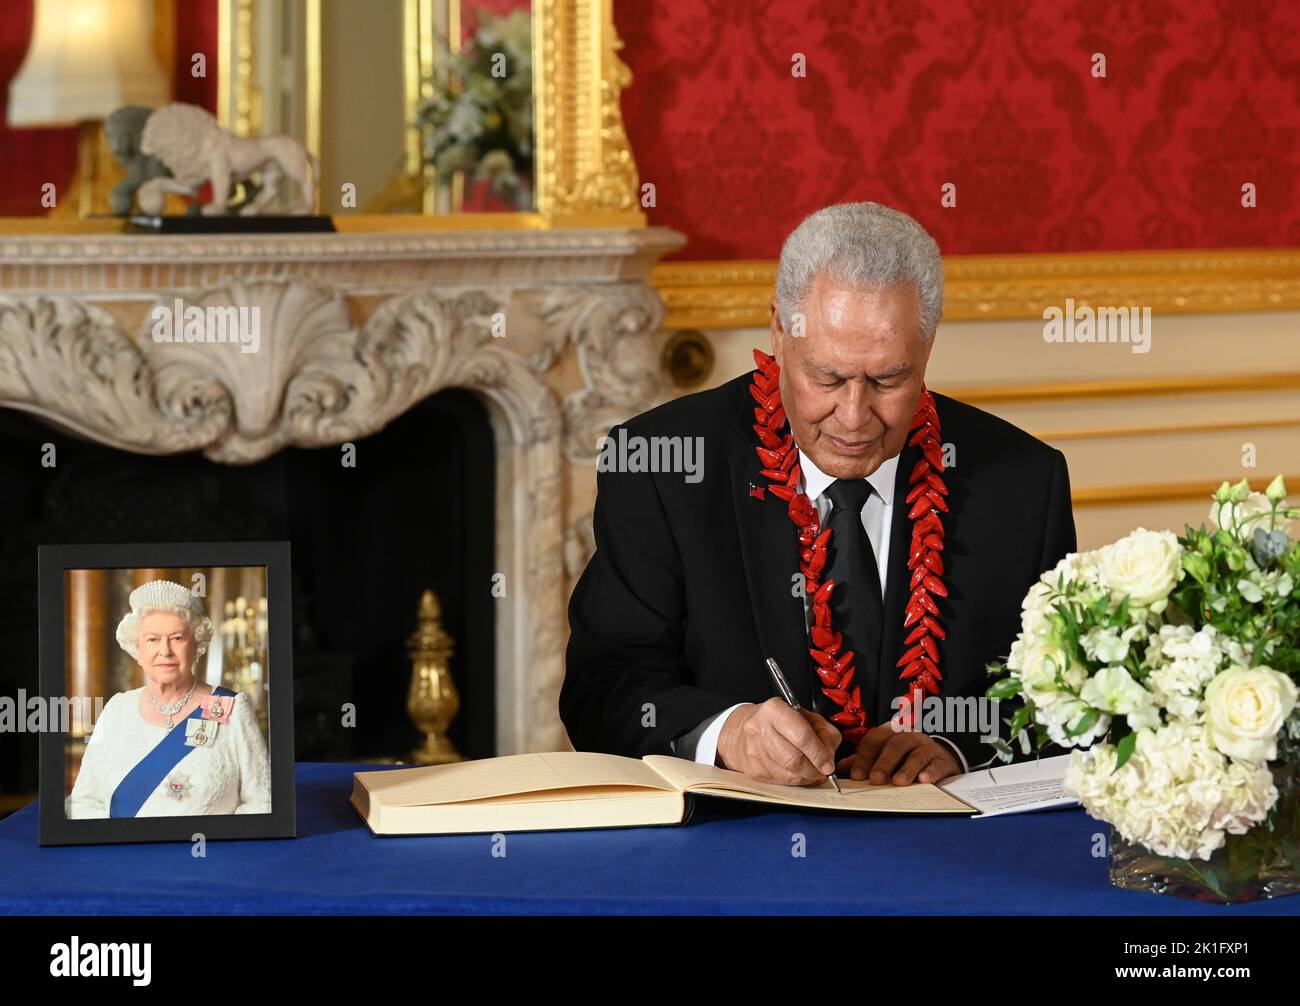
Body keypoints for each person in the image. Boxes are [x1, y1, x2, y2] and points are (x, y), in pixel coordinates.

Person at [562, 201, 1076, 788]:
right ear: (780, 330)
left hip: (946, 851)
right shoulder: (660, 465)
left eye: (888, 380)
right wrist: (726, 733)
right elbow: (601, 691)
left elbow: (1066, 701)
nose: (854, 418)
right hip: (740, 849)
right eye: (826, 378)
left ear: (928, 346)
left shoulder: (1023, 482)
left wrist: (959, 748)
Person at [67, 580, 271, 817]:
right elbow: (83, 802)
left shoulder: (231, 708)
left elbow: (262, 803)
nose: (165, 650)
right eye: (152, 639)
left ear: (196, 645)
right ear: (137, 648)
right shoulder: (117, 710)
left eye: (177, 638)